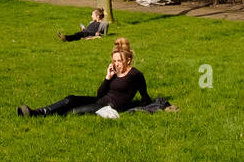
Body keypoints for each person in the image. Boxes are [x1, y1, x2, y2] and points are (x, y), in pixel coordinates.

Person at [18, 37, 152, 116]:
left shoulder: (135, 74)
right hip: (101, 101)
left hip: (111, 107)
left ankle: (38, 115)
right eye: (114, 61)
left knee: (74, 111)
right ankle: (38, 111)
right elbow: (100, 94)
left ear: (128, 60)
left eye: (119, 61)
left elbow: (145, 97)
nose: (116, 64)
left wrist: (139, 106)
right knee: (71, 99)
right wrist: (107, 78)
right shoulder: (115, 73)